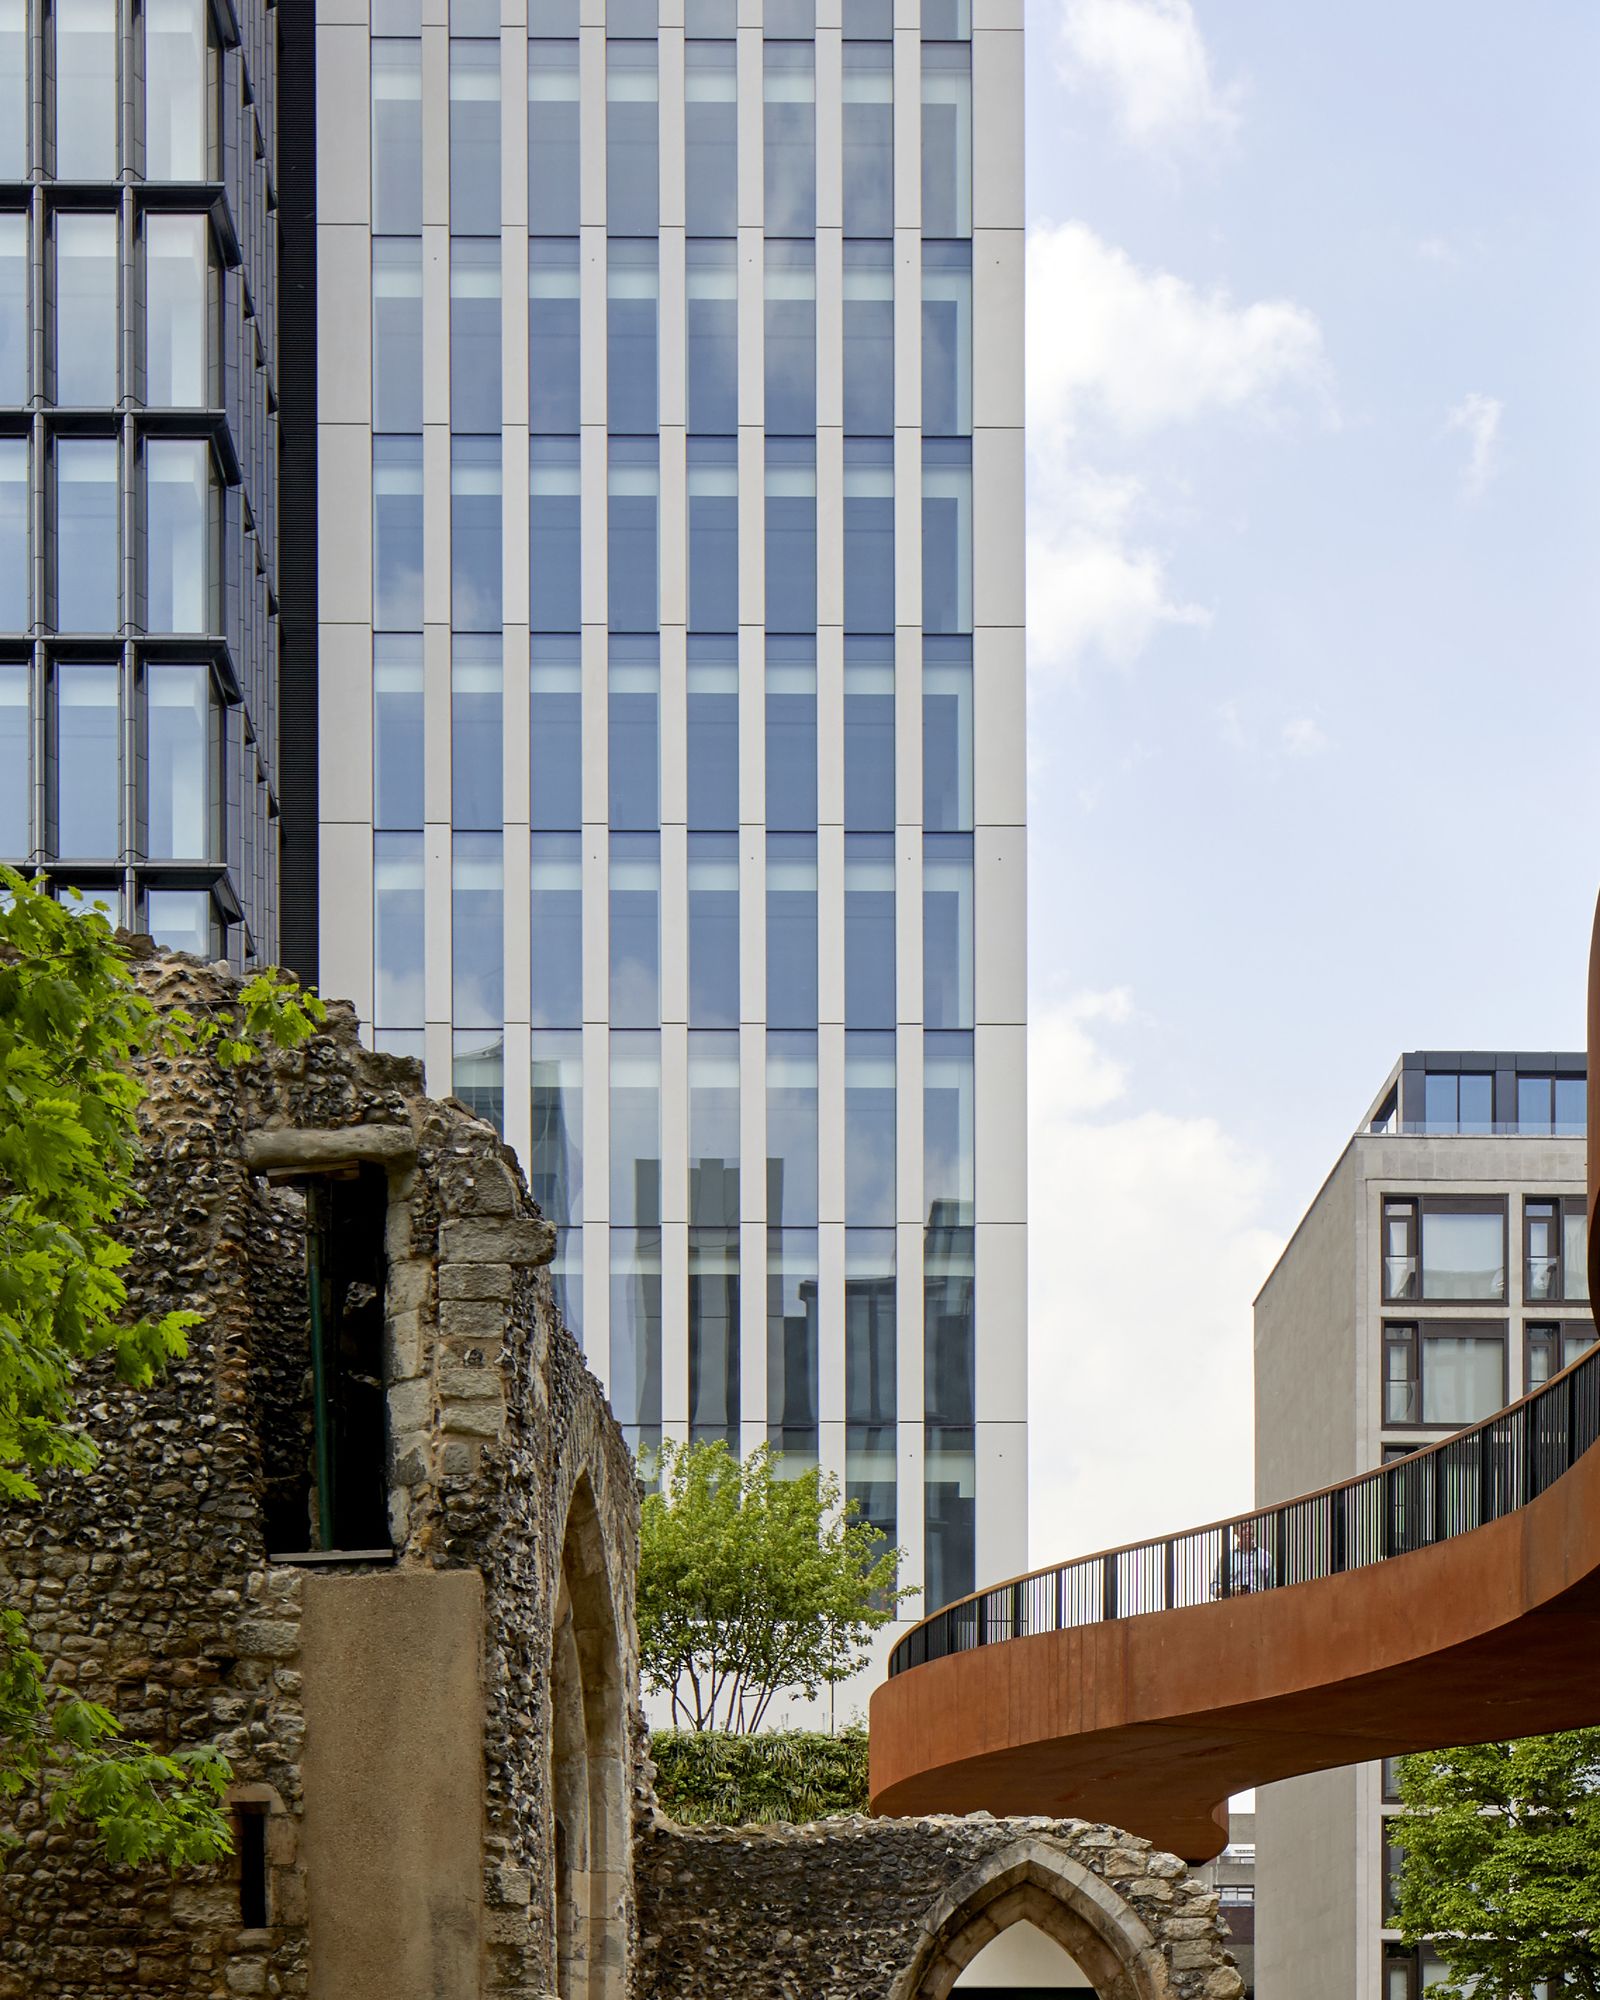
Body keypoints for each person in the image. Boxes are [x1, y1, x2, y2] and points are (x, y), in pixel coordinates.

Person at [1214, 1518, 1273, 1599]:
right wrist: (1231, 1590)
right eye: (1243, 1528)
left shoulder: (1264, 1555)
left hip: (1259, 1602)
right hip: (1233, 1602)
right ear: (1235, 1532)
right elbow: (1214, 1585)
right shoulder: (1227, 1557)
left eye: (1250, 1527)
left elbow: (1273, 1583)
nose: (1248, 1531)